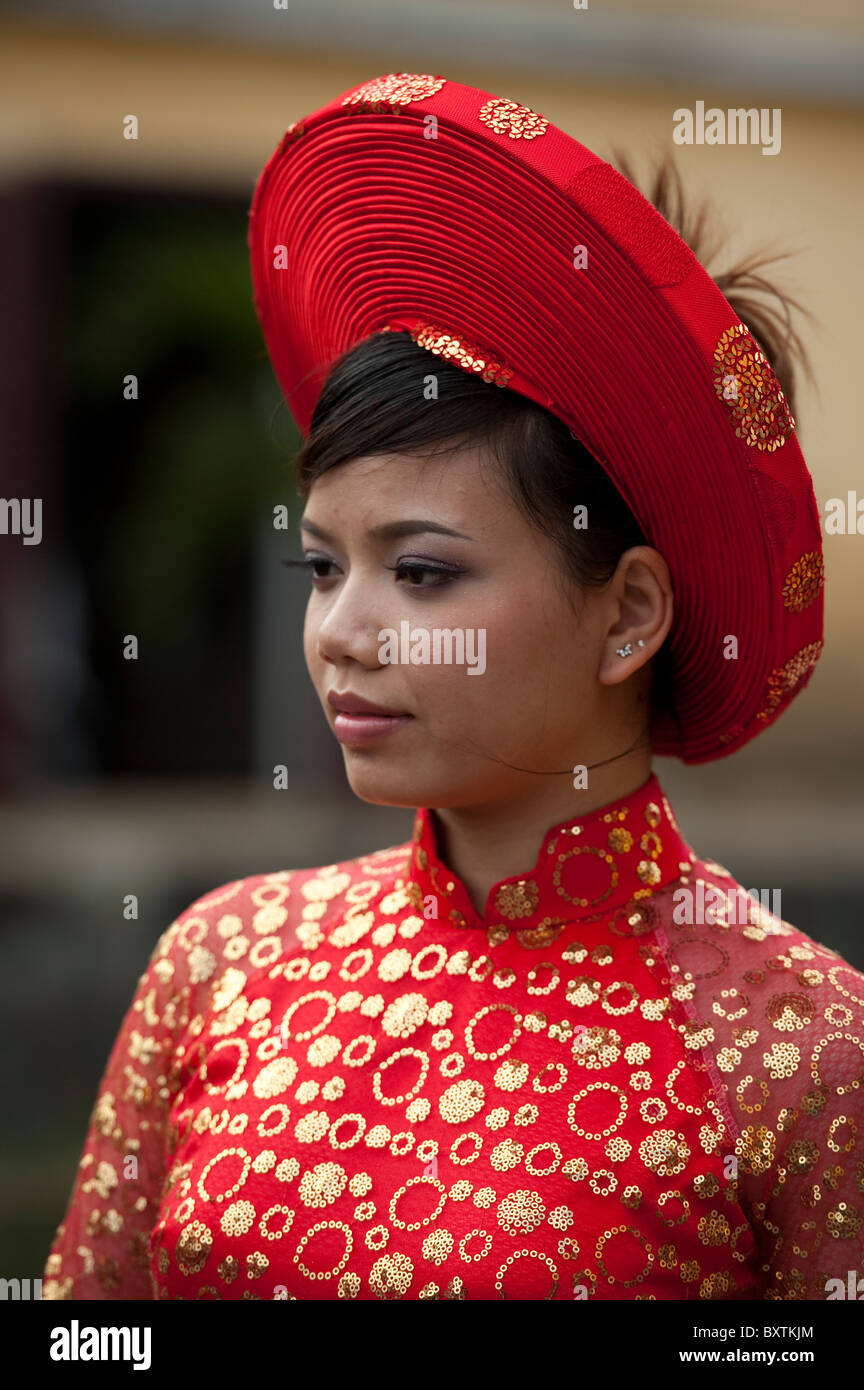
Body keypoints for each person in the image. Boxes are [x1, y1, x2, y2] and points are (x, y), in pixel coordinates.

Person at [43, 72, 862, 1302]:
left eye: (422, 573)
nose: (342, 634)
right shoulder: (220, 960)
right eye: (324, 566)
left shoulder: (804, 1052)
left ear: (628, 612)